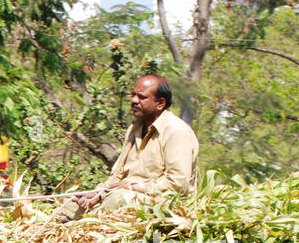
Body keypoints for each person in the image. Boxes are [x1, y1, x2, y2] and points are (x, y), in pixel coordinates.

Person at [57, 74, 199, 220]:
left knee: (116, 200)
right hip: (123, 196)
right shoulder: (134, 129)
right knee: (69, 203)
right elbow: (117, 176)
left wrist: (131, 187)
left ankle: (88, 222)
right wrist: (98, 193)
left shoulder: (176, 132)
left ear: (160, 103)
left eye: (141, 97)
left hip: (162, 203)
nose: (134, 101)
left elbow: (178, 185)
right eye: (133, 95)